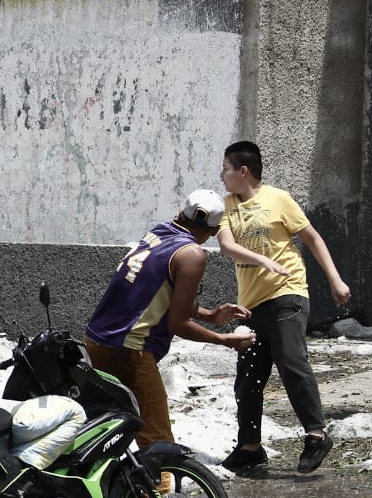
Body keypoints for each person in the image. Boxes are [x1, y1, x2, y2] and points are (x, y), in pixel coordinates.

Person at [84, 189, 256, 455]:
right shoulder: (192, 254)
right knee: (157, 439)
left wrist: (210, 315)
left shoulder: (158, 233)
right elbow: (178, 323)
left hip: (96, 340)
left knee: (107, 426)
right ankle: (161, 482)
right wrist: (223, 340)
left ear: (180, 212)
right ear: (214, 231)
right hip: (128, 349)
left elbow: (156, 295)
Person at [216, 140, 351, 474]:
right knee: (248, 376)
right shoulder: (228, 205)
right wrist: (262, 259)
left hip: (287, 294)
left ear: (243, 171)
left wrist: (335, 279)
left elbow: (313, 238)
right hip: (251, 305)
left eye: (226, 169)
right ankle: (250, 447)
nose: (222, 175)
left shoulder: (279, 199)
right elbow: (227, 245)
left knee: (291, 361)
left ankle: (317, 435)